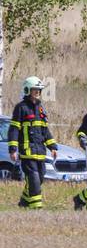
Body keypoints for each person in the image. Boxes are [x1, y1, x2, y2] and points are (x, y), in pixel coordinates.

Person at [7, 76, 58, 209]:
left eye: (39, 89)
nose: (37, 92)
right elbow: (14, 129)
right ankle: (36, 209)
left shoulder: (40, 108)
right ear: (27, 90)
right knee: (34, 179)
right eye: (34, 89)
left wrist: (52, 146)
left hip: (40, 152)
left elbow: (45, 130)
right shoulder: (21, 107)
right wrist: (13, 149)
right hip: (27, 152)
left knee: (39, 179)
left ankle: (24, 202)